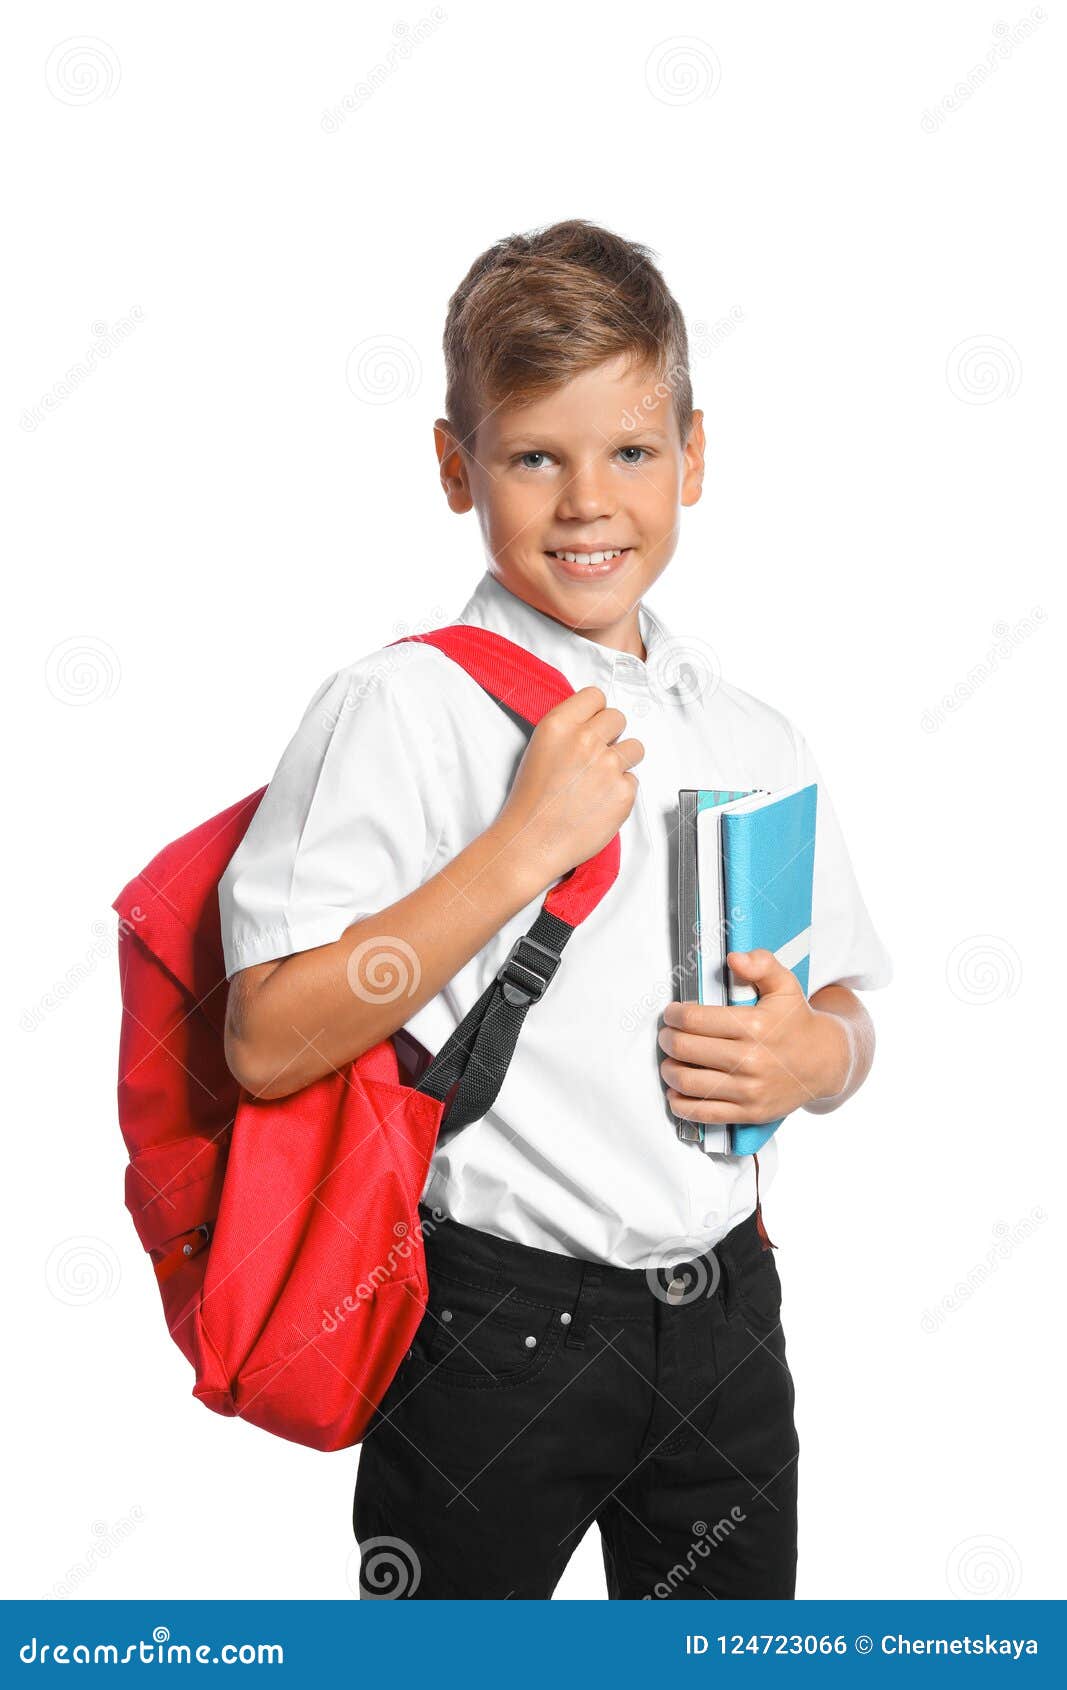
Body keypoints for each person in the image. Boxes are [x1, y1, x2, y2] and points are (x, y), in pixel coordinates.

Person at [218, 219, 892, 1600]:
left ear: (693, 456)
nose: (589, 502)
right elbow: (265, 1039)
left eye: (631, 452)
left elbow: (841, 1002)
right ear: (454, 466)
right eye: (534, 457)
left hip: (726, 1320)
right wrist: (521, 846)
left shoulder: (751, 730)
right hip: (495, 1329)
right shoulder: (401, 708)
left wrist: (818, 1056)